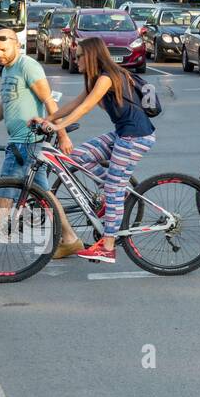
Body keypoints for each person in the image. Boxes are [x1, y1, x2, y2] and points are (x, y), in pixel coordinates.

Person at [0, 28, 83, 267]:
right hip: (24, 143)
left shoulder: (28, 66)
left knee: (5, 195)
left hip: (25, 143)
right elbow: (5, 104)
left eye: (3, 49)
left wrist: (61, 134)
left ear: (16, 45)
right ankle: (70, 239)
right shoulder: (8, 69)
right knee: (44, 193)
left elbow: (49, 101)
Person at [41, 37, 156, 264]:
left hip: (136, 136)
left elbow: (84, 108)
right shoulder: (95, 78)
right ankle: (117, 194)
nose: (75, 61)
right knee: (76, 157)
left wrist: (59, 127)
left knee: (113, 188)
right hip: (122, 134)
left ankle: (108, 246)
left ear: (91, 56)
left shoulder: (107, 77)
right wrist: (47, 119)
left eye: (79, 56)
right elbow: (74, 103)